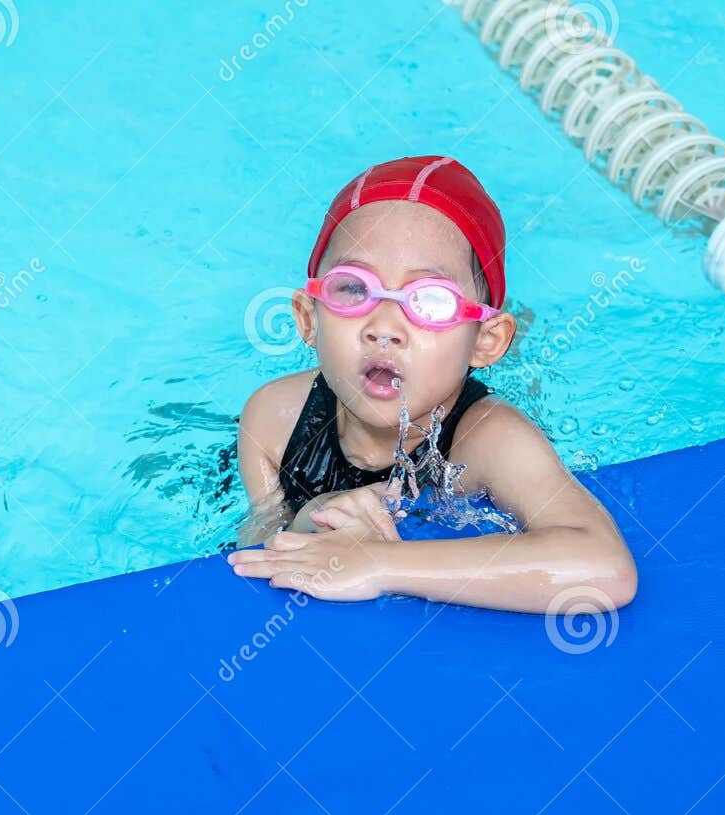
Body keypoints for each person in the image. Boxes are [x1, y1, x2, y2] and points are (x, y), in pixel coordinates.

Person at [228, 156, 636, 613]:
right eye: (353, 289)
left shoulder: (490, 440)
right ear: (308, 318)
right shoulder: (273, 421)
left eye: (431, 301)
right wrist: (308, 521)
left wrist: (381, 563)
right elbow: (257, 547)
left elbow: (605, 567)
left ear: (484, 341)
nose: (384, 327)